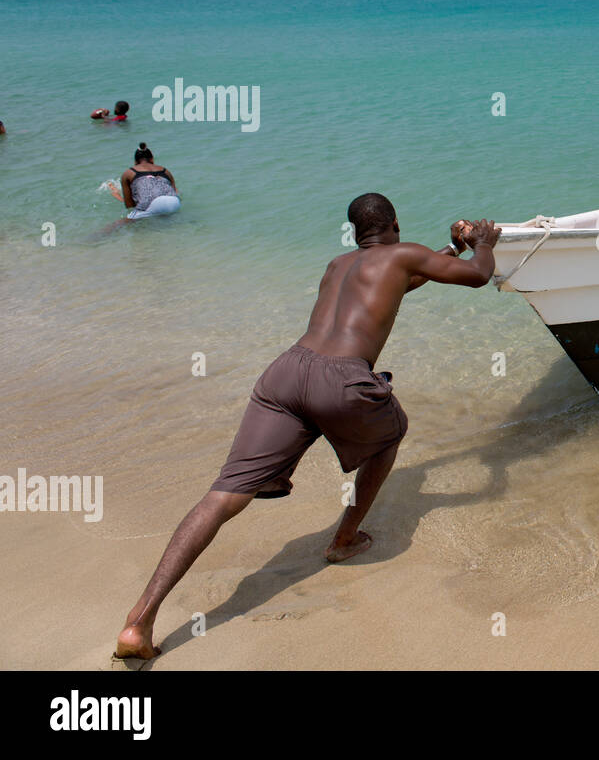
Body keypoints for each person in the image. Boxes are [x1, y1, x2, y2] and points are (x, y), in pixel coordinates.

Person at [114, 193, 500, 660]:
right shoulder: (405, 252)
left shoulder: (338, 265)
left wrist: (451, 251)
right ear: (395, 224)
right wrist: (481, 242)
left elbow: (397, 283)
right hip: (340, 377)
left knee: (221, 497)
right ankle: (343, 539)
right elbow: (479, 277)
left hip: (286, 372)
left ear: (356, 231)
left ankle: (139, 621)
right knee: (390, 432)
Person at [110, 142, 181, 219]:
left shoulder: (129, 173)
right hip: (174, 202)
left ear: (135, 162)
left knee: (119, 225)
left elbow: (129, 205)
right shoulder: (165, 171)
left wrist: (117, 195)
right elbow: (175, 192)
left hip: (152, 204)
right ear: (152, 159)